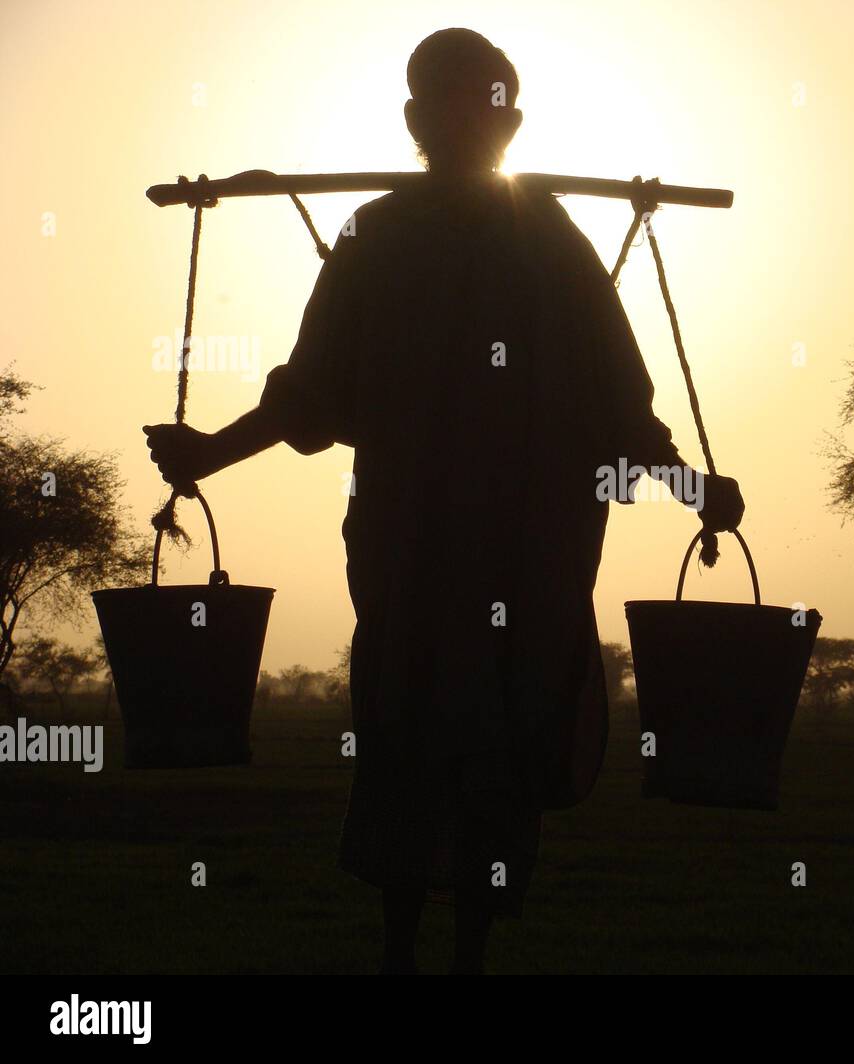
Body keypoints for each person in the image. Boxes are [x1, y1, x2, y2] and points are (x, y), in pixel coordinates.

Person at [144, 27, 743, 974]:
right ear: (417, 119)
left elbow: (621, 409)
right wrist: (207, 455)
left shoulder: (537, 243)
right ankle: (406, 951)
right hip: (419, 558)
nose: (469, 121)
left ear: (512, 121)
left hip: (513, 560)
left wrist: (690, 487)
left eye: (485, 103)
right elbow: (309, 396)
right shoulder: (385, 238)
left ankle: (456, 952)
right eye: (452, 103)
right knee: (412, 743)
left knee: (478, 753)